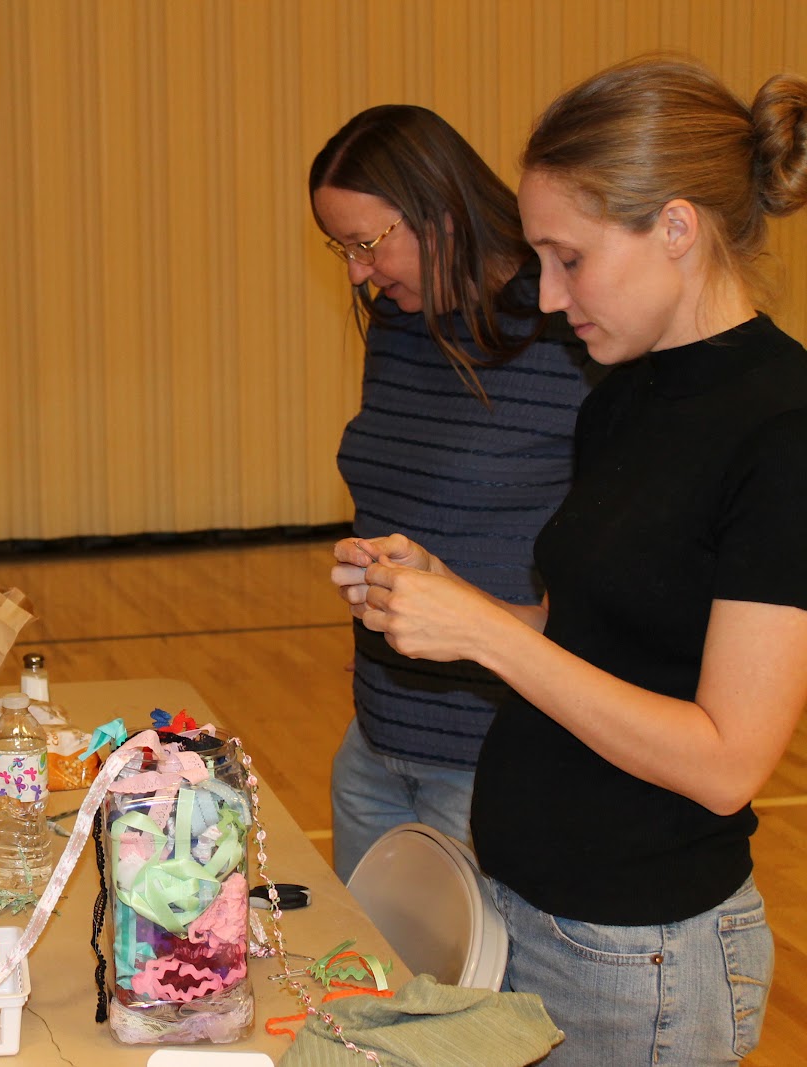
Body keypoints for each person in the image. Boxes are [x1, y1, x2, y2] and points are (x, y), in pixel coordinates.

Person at [333, 54, 807, 1064]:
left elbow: (725, 760)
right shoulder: (626, 392)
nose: (544, 298)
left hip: (639, 955)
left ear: (674, 227)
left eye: (568, 258)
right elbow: (598, 640)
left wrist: (488, 642)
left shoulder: (779, 425)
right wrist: (453, 601)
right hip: (531, 910)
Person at [308, 105, 592, 880]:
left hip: (490, 763)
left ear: (438, 209)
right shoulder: (402, 324)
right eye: (341, 249)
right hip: (375, 747)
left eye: (368, 244)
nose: (357, 273)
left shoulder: (572, 331)